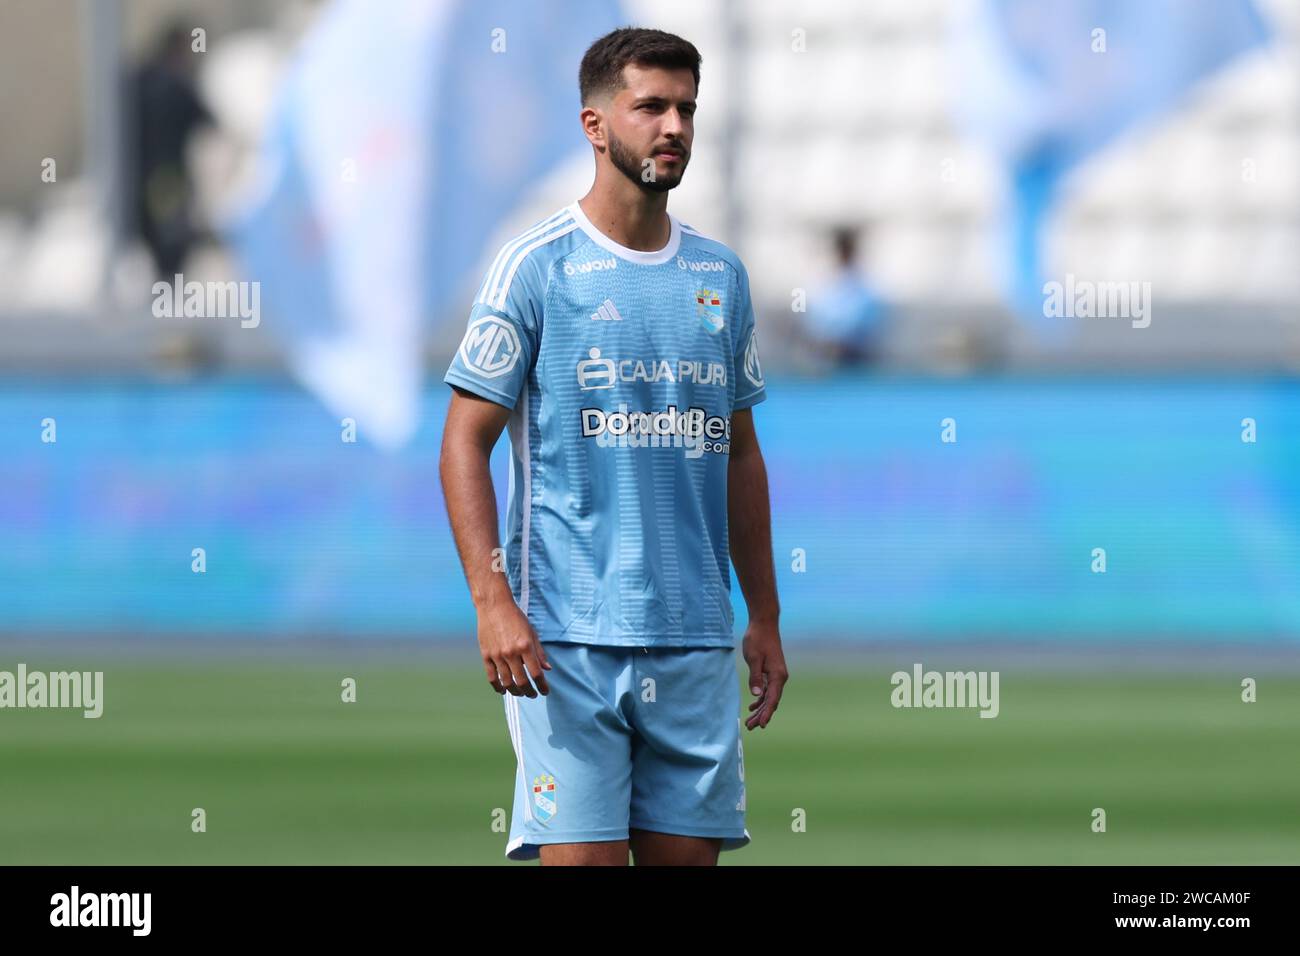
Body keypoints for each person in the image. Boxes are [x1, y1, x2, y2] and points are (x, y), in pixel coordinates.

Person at [439, 27, 787, 866]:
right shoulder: (536, 268)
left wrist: (765, 614)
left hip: (696, 637)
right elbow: (462, 443)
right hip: (567, 642)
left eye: (687, 109)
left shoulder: (720, 277)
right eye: (652, 107)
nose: (674, 127)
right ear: (596, 125)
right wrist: (493, 603)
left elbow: (740, 452)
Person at [803, 225, 887, 366]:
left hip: (856, 353)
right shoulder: (825, 280)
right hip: (826, 352)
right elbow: (815, 317)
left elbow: (869, 316)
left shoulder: (864, 281)